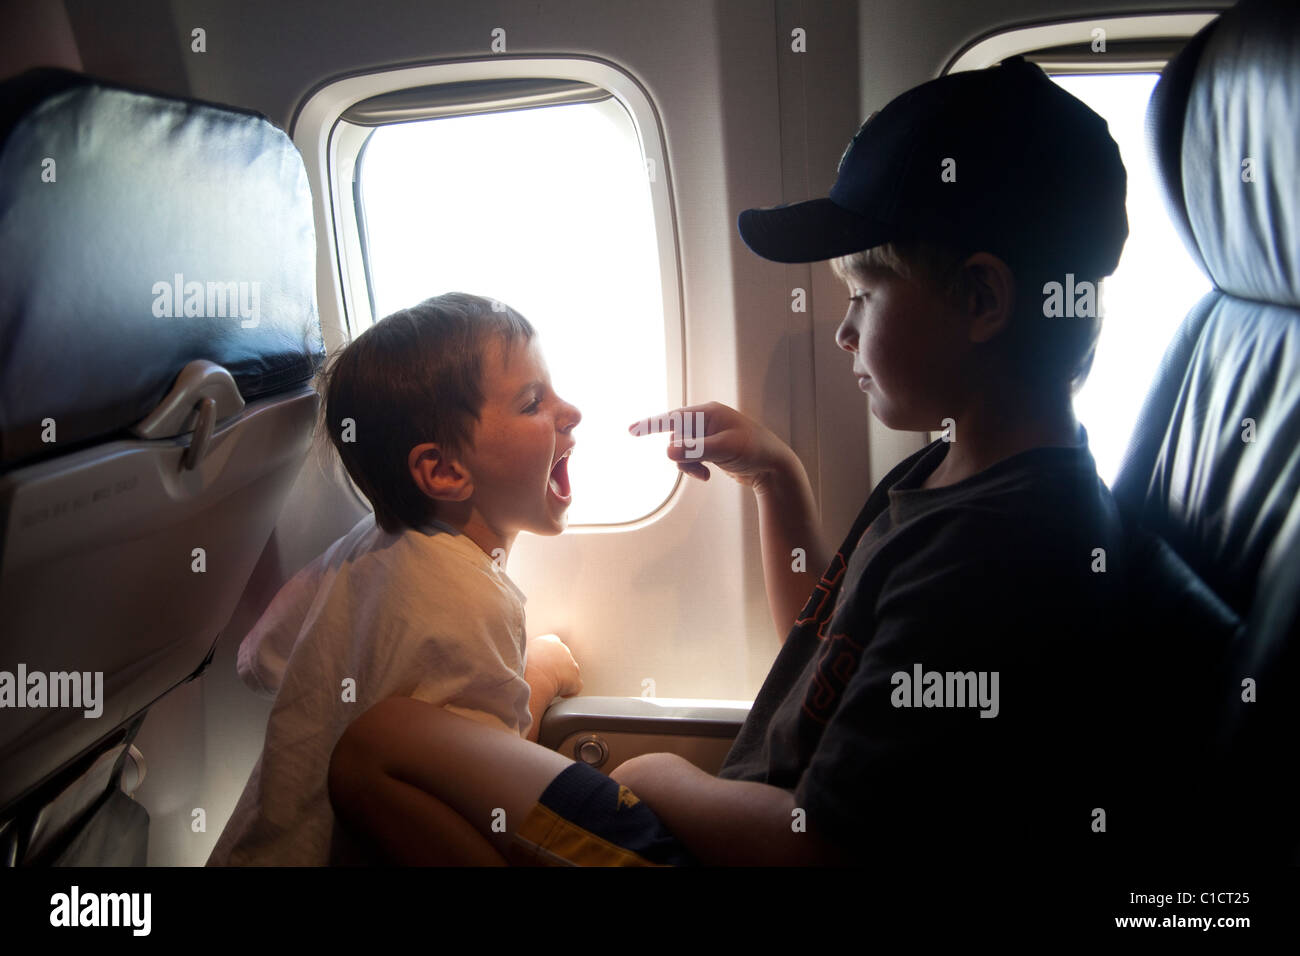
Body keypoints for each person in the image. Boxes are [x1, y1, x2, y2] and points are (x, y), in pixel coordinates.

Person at [325, 57, 1148, 865]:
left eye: (863, 295)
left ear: (981, 300)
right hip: (737, 824)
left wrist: (668, 778)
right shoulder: (943, 472)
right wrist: (775, 474)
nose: (844, 331)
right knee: (399, 746)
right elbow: (827, 652)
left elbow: (826, 850)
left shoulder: (999, 557)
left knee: (378, 748)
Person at [206, 292, 584, 865]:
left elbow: (258, 659)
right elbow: (487, 791)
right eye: (533, 403)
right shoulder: (474, 600)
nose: (569, 411)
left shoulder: (357, 550)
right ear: (443, 470)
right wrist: (543, 671)